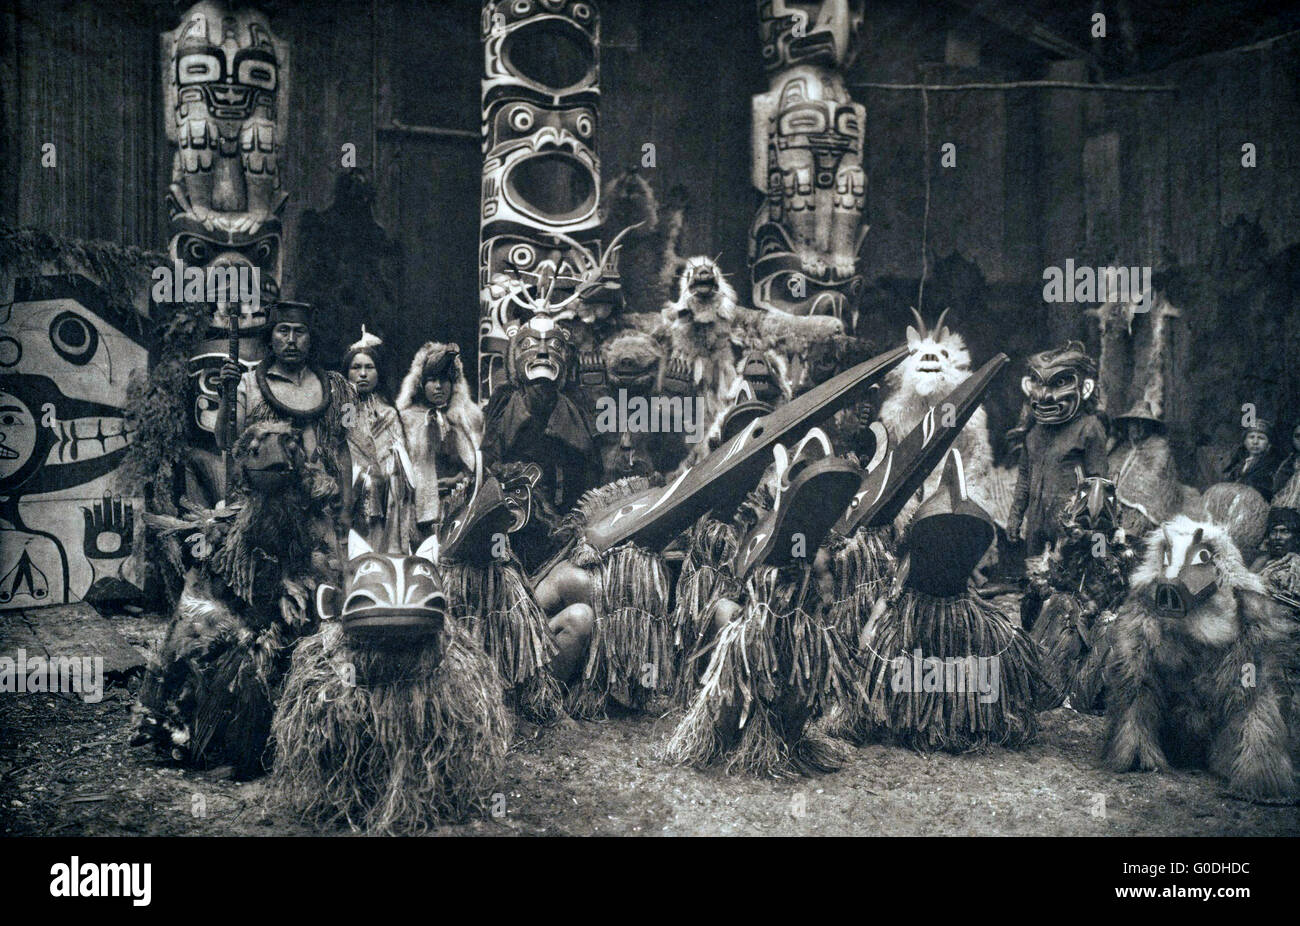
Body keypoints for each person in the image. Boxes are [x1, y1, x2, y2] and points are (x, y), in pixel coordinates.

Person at [218, 300, 355, 532]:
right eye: (283, 330)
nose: (291, 339)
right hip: (263, 515)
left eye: (299, 331)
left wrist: (346, 508)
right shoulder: (248, 385)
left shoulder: (337, 389)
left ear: (311, 339)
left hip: (319, 512)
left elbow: (343, 448)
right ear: (270, 338)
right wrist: (225, 396)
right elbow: (225, 442)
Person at [396, 341, 483, 535]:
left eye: (445, 380)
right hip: (419, 513)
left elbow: (476, 463)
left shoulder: (468, 418)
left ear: (454, 384)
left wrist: (461, 479)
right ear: (420, 383)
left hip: (461, 507)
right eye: (432, 380)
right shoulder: (405, 420)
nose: (438, 386)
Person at [342, 327, 417, 553]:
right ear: (346, 372)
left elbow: (401, 460)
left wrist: (385, 474)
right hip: (348, 496)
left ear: (378, 373)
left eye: (369, 367)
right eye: (356, 367)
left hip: (385, 500)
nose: (362, 374)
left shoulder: (389, 414)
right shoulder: (341, 412)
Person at [1223, 419, 1280, 500]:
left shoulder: (1272, 466)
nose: (1255, 442)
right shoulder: (1237, 462)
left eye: (1261, 438)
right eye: (1251, 437)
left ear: (1269, 444)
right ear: (1245, 442)